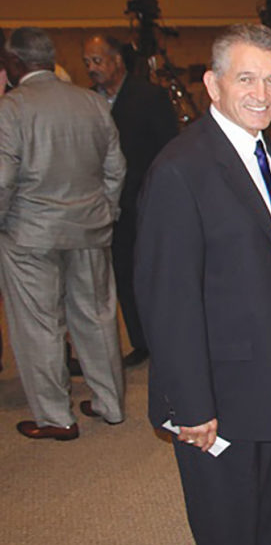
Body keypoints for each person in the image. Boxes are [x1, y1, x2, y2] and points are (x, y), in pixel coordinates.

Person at [134, 23, 271, 545]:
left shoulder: (263, 149)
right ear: (212, 85)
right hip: (220, 400)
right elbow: (166, 299)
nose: (261, 93)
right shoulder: (181, 169)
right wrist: (190, 405)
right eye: (245, 79)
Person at [0, 27, 125, 441]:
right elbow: (115, 168)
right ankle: (110, 403)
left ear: (15, 63)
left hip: (30, 234)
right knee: (97, 318)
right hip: (90, 227)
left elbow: (3, 179)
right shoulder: (91, 102)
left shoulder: (12, 108)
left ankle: (56, 416)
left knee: (40, 325)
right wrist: (105, 211)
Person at [82, 34, 179, 368]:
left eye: (97, 60)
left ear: (117, 61)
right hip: (106, 204)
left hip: (145, 199)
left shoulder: (148, 97)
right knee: (122, 275)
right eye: (87, 63)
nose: (92, 68)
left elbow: (169, 149)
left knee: (156, 273)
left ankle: (166, 337)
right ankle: (140, 341)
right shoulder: (88, 101)